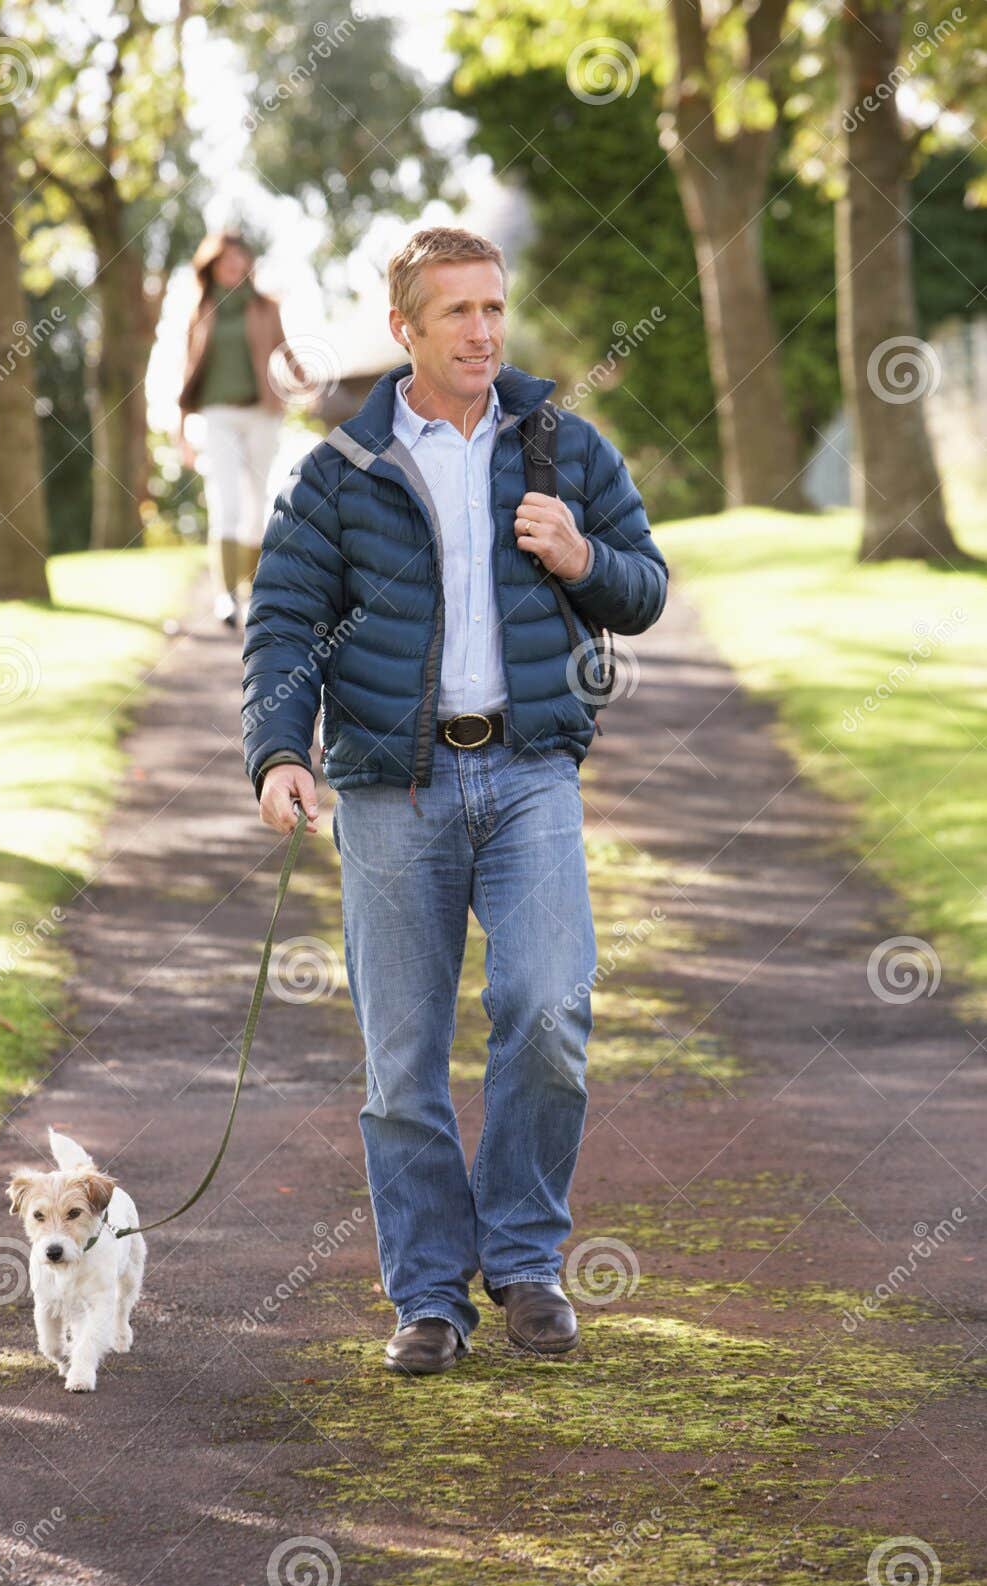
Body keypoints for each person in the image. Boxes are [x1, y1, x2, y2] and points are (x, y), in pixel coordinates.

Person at [242, 226, 669, 1376]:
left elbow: (645, 588)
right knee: (401, 1059)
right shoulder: (340, 471)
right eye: (457, 314)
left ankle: (523, 1257)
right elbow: (281, 622)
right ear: (405, 331)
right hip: (391, 787)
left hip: (530, 772)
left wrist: (582, 559)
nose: (483, 331)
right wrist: (282, 750)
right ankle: (428, 1294)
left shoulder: (562, 449)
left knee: (544, 1011)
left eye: (493, 309)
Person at [177, 230, 305, 630]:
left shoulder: (266, 307)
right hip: (217, 415)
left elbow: (285, 351)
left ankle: (253, 593)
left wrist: (308, 384)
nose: (234, 266)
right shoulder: (202, 309)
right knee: (225, 503)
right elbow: (187, 371)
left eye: (240, 259)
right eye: (226, 260)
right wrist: (180, 430)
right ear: (212, 266)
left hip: (261, 413)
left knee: (256, 505)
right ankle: (226, 595)